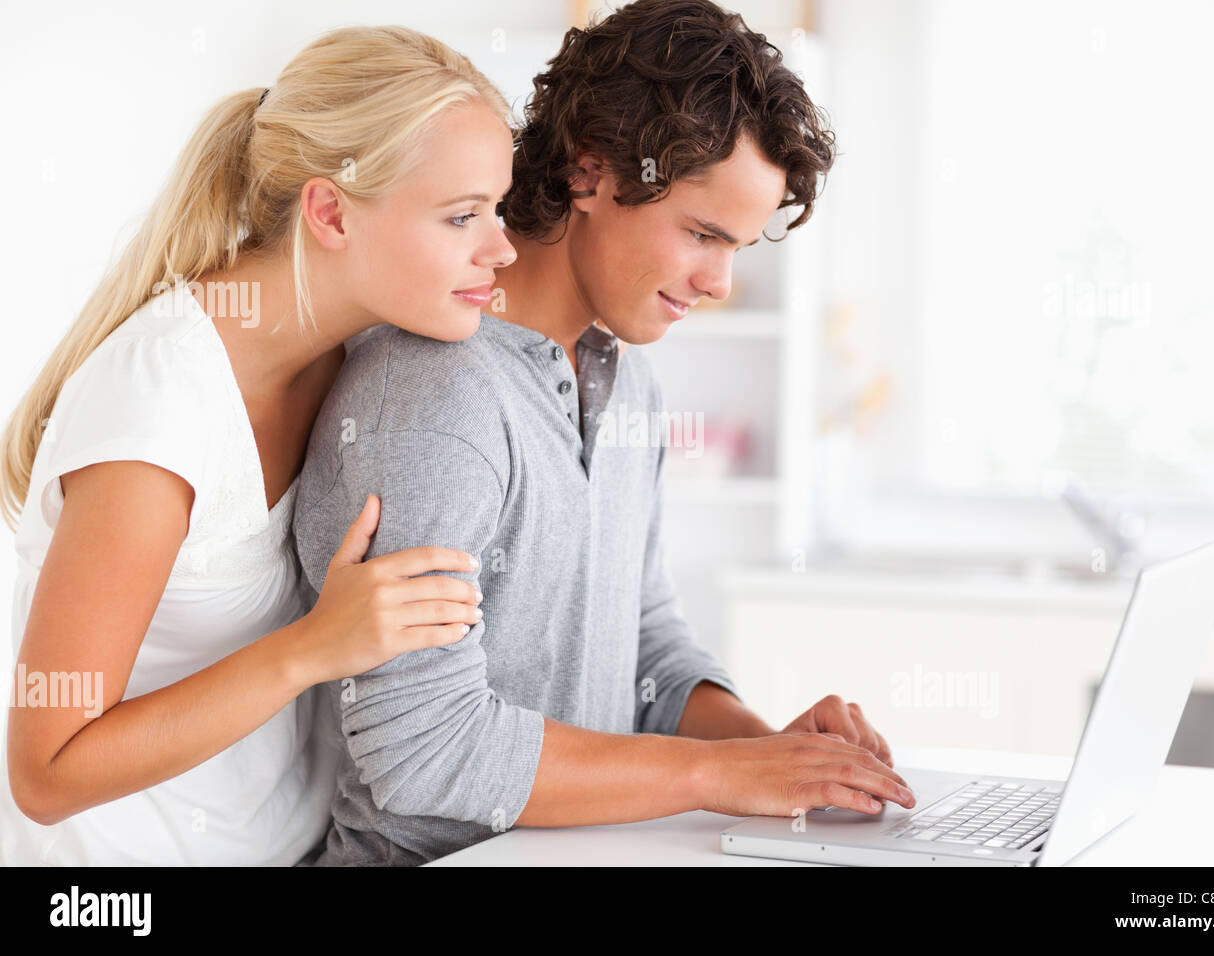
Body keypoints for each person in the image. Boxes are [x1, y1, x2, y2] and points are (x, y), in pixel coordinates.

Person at [293, 0, 914, 868]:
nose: (719, 282)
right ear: (589, 174)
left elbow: (645, 642)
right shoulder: (435, 394)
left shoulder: (628, 381)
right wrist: (718, 776)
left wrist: (771, 753)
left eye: (737, 247)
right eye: (701, 233)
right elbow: (425, 753)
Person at [0, 25, 512, 865]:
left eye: (498, 209)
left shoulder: (357, 352)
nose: (501, 248)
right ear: (330, 213)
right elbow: (46, 773)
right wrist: (313, 648)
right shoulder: (157, 409)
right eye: (463, 216)